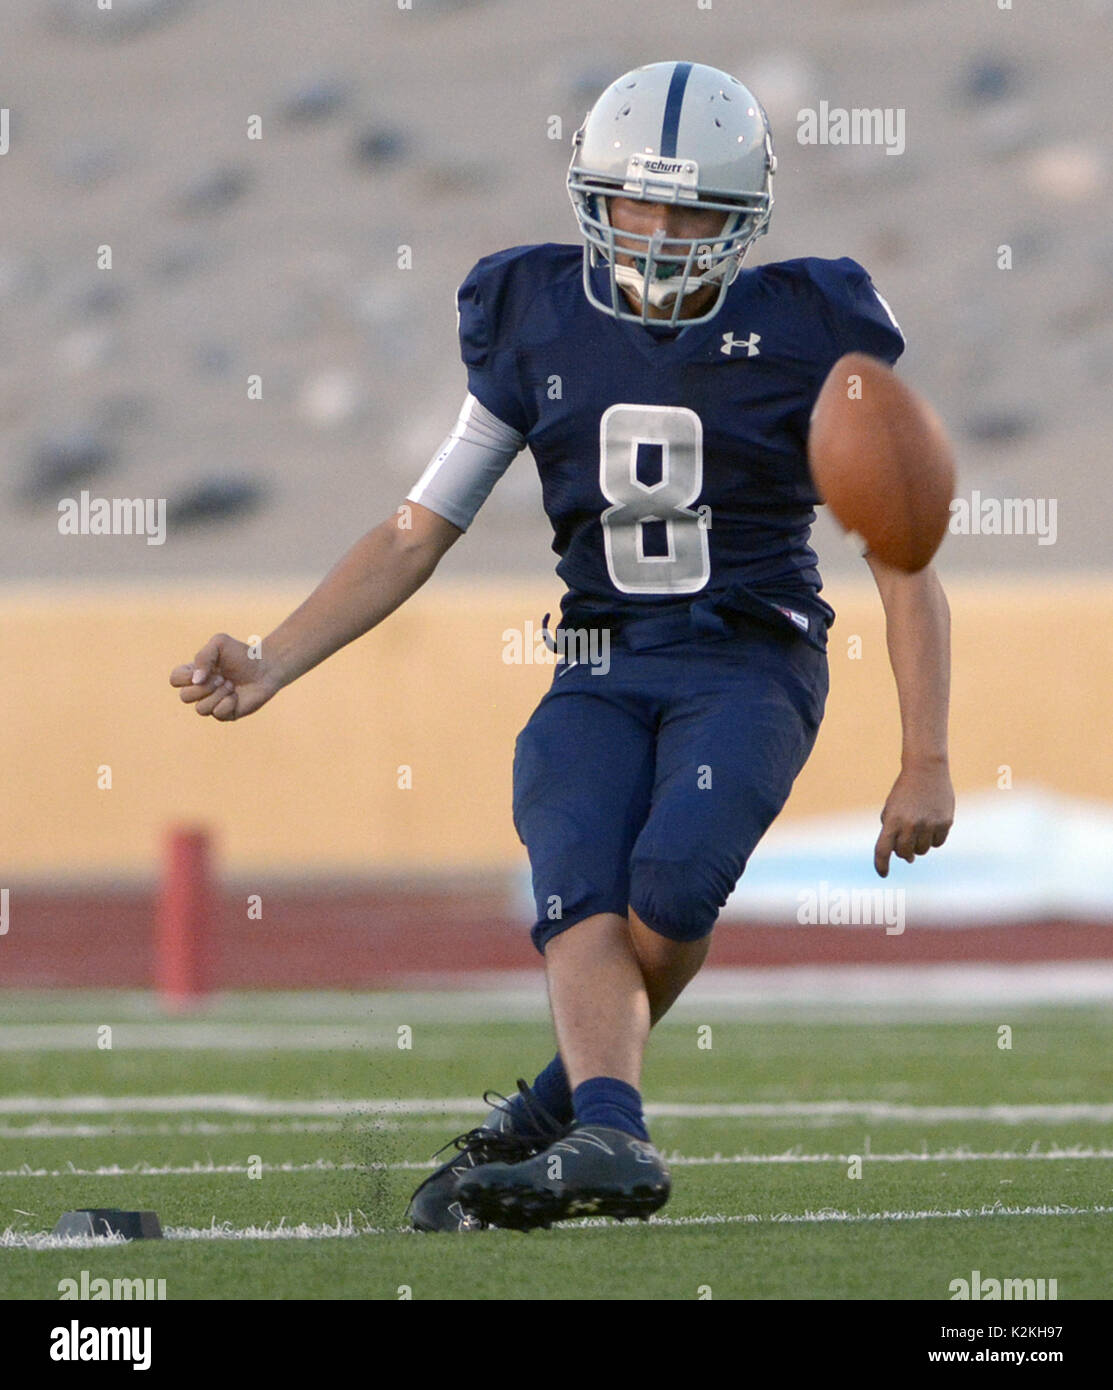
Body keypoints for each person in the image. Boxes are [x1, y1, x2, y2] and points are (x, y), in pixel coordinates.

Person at [170, 61, 954, 1233]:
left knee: (673, 886)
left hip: (748, 658)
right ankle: (609, 1134)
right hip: (596, 658)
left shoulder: (811, 332)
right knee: (577, 885)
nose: (661, 232)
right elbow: (417, 529)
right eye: (637, 202)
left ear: (745, 223)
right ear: (591, 197)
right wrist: (274, 656)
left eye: (693, 211)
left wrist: (927, 753)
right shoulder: (535, 313)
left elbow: (904, 560)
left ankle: (558, 1116)